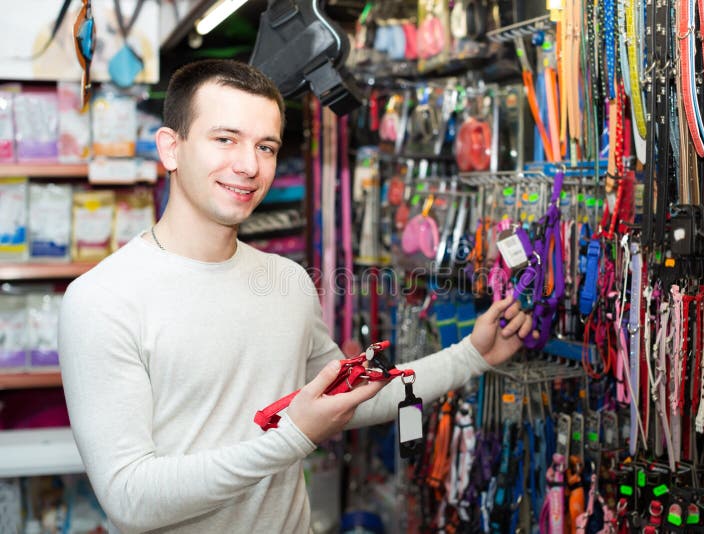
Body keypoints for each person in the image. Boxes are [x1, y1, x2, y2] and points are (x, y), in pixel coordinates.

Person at [58, 59, 533, 533]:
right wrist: (294, 437)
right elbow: (129, 497)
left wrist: (472, 354)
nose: (248, 165)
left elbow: (347, 399)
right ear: (171, 148)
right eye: (225, 139)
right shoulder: (102, 300)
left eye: (265, 146)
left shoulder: (287, 281)